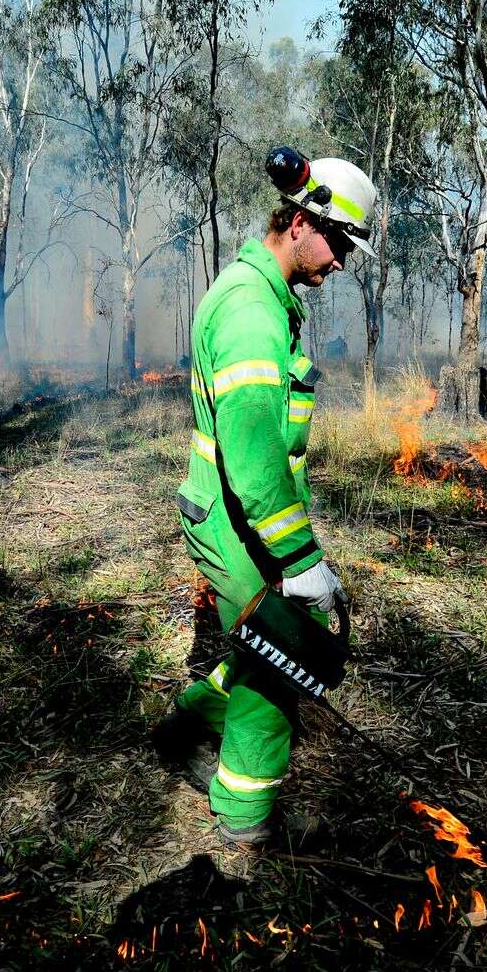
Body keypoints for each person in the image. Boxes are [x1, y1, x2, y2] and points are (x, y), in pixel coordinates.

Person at [153, 153, 377, 848]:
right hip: (236, 524)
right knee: (282, 669)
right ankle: (245, 818)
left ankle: (185, 729)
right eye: (339, 244)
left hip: (237, 521)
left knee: (260, 648)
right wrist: (301, 557)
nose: (340, 262)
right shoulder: (252, 312)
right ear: (302, 223)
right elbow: (251, 460)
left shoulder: (262, 295)